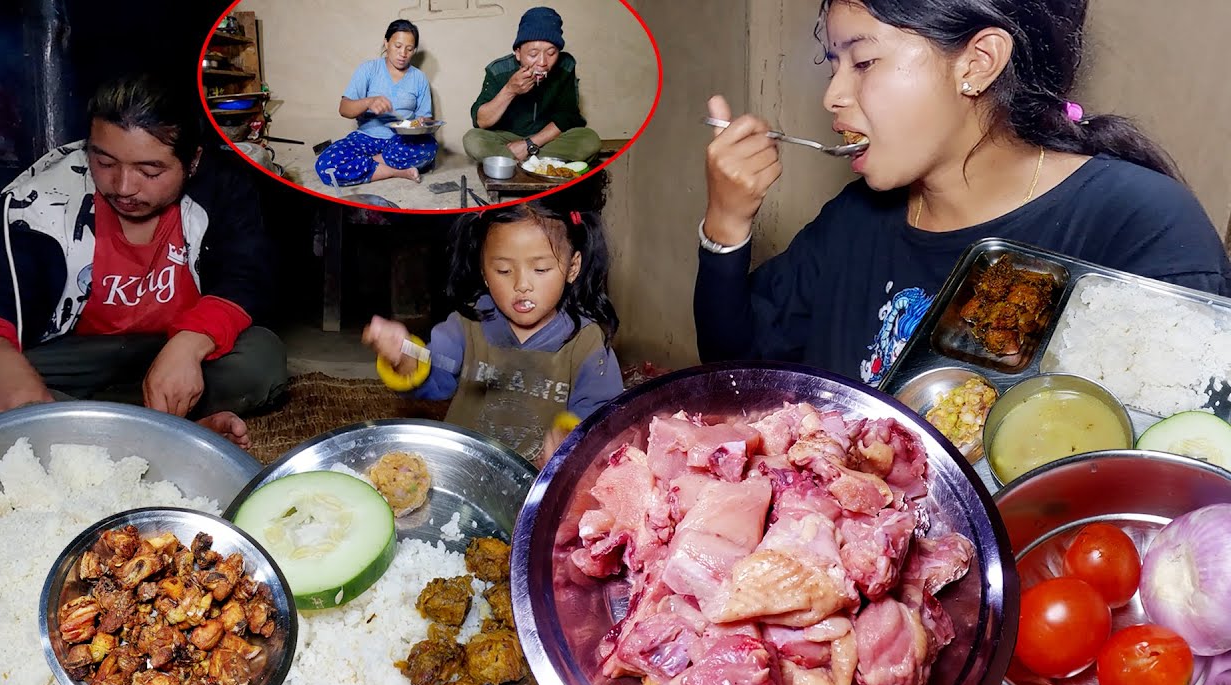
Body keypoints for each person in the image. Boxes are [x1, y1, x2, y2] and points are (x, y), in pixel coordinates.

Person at [694, 0, 1231, 386]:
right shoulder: (854, 222)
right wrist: (727, 221)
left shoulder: (1137, 225)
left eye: (863, 62)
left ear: (977, 63)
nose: (834, 96)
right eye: (833, 65)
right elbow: (735, 372)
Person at [0, 73, 288, 446]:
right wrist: (3, 367)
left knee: (260, 358)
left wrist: (189, 345)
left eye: (150, 170)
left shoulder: (224, 187)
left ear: (192, 161)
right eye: (105, 162)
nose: (123, 187)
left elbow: (247, 276)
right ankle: (164, 433)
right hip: (73, 358)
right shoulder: (40, 202)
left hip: (169, 345)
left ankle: (81, 430)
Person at [364, 173, 623, 467]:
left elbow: (604, 416)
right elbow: (436, 375)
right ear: (484, 272)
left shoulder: (587, 344)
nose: (522, 284)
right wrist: (403, 354)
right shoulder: (467, 324)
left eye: (540, 270)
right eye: (503, 270)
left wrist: (570, 441)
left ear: (572, 267)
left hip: (535, 483)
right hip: (465, 468)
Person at [463, 6, 601, 164]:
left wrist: (529, 144)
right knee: (473, 140)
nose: (542, 63)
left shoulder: (565, 66)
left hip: (546, 139)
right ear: (518, 52)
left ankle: (513, 163)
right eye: (533, 54)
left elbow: (568, 117)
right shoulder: (498, 70)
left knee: (590, 140)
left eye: (551, 53)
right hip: (506, 138)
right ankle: (537, 163)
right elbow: (481, 121)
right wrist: (510, 90)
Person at [316, 19, 435, 187]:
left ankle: (366, 165)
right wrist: (369, 101)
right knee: (326, 165)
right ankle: (398, 171)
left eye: (409, 49)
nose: (403, 54)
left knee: (428, 147)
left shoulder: (419, 78)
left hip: (401, 141)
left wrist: (422, 123)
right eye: (397, 46)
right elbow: (344, 109)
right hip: (366, 138)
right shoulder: (368, 70)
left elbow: (426, 117)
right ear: (386, 43)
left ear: (414, 50)